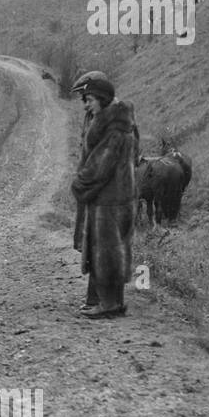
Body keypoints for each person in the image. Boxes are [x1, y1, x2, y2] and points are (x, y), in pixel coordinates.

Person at [70, 73, 137, 319]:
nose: (86, 105)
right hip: (112, 197)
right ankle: (100, 299)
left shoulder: (115, 129)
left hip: (111, 199)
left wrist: (80, 184)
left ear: (102, 98)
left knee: (107, 251)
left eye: (88, 99)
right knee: (106, 248)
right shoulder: (112, 121)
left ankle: (109, 304)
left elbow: (101, 164)